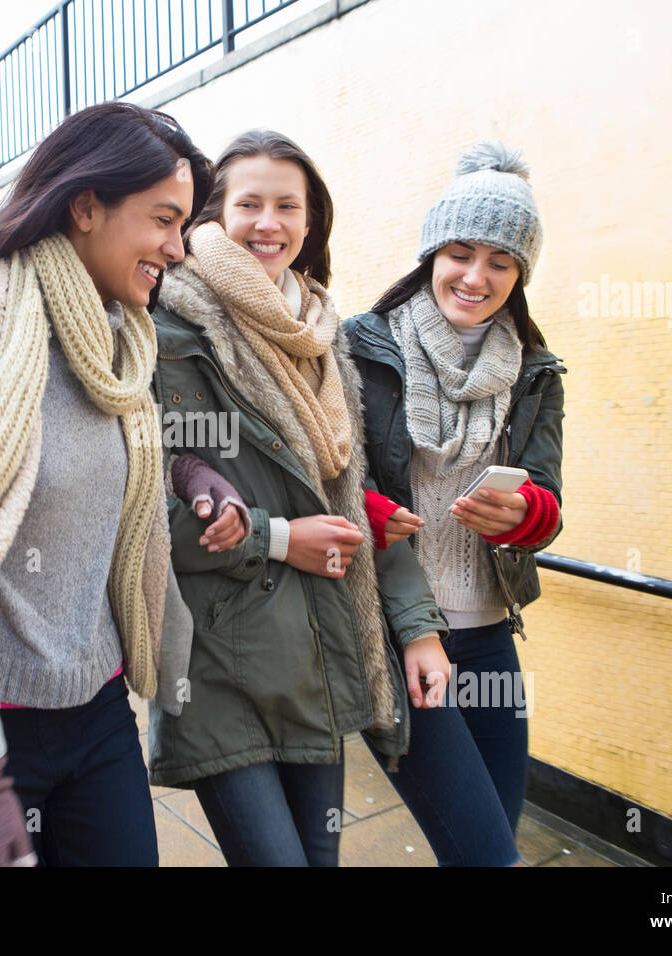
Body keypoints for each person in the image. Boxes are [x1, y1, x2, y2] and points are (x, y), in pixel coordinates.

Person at [0, 102, 224, 867]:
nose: (179, 248)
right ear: (85, 204)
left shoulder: (123, 342)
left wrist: (192, 476)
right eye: (164, 219)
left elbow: (103, 485)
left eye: (185, 225)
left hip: (97, 714)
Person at [147, 130, 450, 866]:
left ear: (311, 223)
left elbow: (362, 497)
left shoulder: (324, 337)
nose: (268, 223)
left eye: (289, 205)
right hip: (220, 661)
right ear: (212, 216)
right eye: (248, 203)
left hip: (317, 654)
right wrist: (279, 538)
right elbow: (142, 513)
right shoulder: (166, 330)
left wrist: (415, 625)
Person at [344, 141, 566, 866]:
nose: (476, 276)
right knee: (487, 856)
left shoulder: (535, 372)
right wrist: (368, 511)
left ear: (520, 273)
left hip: (491, 634)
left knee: (491, 843)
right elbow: (325, 477)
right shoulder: (361, 348)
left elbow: (549, 501)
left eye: (500, 261)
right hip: (402, 634)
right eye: (460, 253)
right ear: (431, 253)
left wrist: (525, 515)